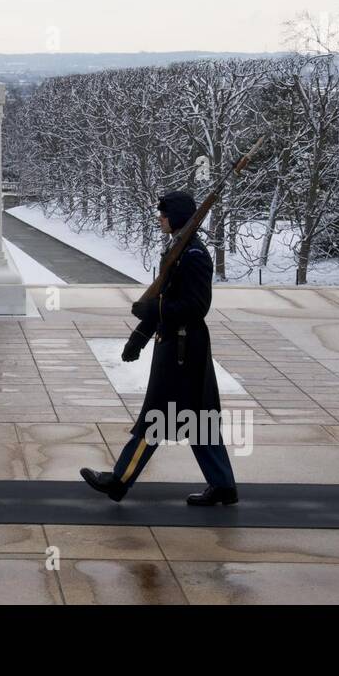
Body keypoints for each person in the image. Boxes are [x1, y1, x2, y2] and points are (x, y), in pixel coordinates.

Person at [79, 190, 238, 506]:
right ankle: (223, 485)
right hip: (180, 345)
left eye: (163, 214)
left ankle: (119, 480)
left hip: (182, 349)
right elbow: (164, 292)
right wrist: (139, 336)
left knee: (156, 418)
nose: (159, 219)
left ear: (176, 218)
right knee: (198, 419)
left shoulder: (194, 255)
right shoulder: (179, 250)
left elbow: (196, 306)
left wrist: (154, 311)